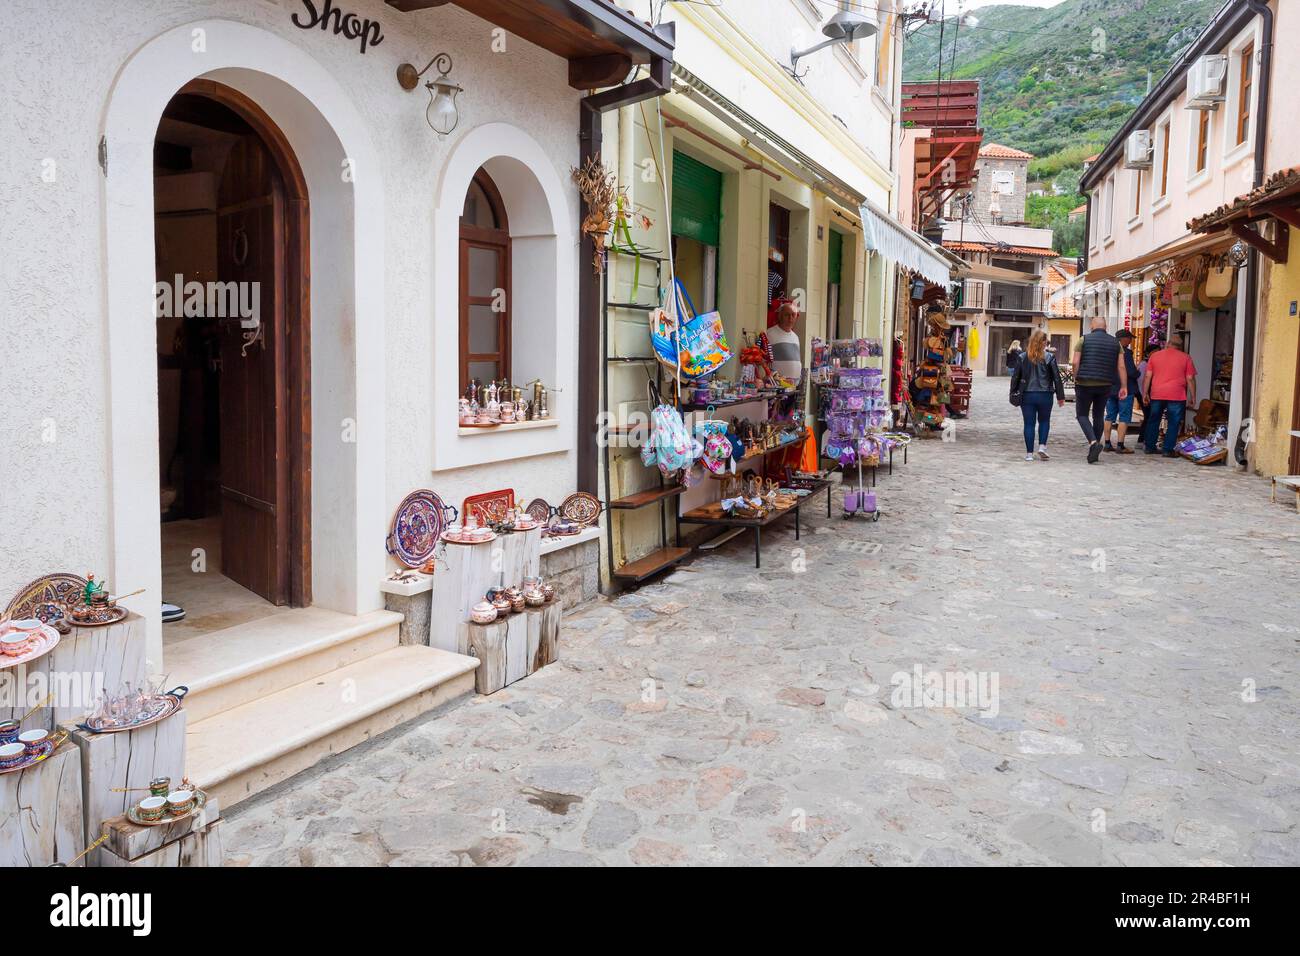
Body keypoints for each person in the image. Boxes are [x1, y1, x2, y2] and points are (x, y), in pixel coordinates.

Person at [1072, 316, 1129, 463]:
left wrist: (1075, 377)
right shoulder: (1116, 343)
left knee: (1082, 414)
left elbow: (1075, 362)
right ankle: (1095, 448)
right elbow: (1121, 366)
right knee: (1098, 415)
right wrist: (1124, 386)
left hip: (1084, 383)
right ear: (1105, 327)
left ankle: (1093, 442)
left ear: (1092, 326)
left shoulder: (1083, 339)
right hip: (1105, 384)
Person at [1009, 329, 1066, 461]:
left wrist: (1013, 392)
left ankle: (1029, 454)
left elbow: (1015, 377)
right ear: (1044, 342)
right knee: (1044, 421)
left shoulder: (1023, 357)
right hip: (1045, 395)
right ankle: (1041, 447)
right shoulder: (1049, 357)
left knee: (1029, 424)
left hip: (1027, 394)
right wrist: (1060, 396)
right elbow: (1056, 378)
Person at [1142, 331, 1197, 457]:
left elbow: (1148, 376)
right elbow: (1190, 378)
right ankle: (1167, 450)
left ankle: (1149, 447)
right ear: (1180, 347)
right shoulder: (1186, 357)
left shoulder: (1155, 356)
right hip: (1177, 395)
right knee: (1173, 422)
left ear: (1168, 343)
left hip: (1157, 393)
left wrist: (1145, 393)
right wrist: (1193, 396)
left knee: (1154, 420)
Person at [1103, 329, 1140, 454]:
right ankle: (1120, 445)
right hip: (1125, 389)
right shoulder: (1126, 353)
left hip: (1111, 388)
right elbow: (1131, 372)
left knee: (1109, 416)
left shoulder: (1108, 351)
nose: (1130, 341)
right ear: (1123, 339)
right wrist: (1138, 373)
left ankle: (1107, 443)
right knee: (1124, 417)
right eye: (1129, 338)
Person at [766, 301, 803, 384]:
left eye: (793, 315)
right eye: (787, 315)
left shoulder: (795, 337)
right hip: (777, 385)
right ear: (780, 316)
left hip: (794, 385)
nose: (790, 318)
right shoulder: (769, 334)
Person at [1136, 341, 1161, 447]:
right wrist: (1144, 395)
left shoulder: (1150, 363)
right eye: (1155, 352)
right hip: (1143, 394)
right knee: (1148, 417)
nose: (1158, 354)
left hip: (1147, 394)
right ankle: (1142, 440)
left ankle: (1144, 440)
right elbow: (1141, 381)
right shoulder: (1144, 364)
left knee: (1149, 416)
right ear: (1149, 353)